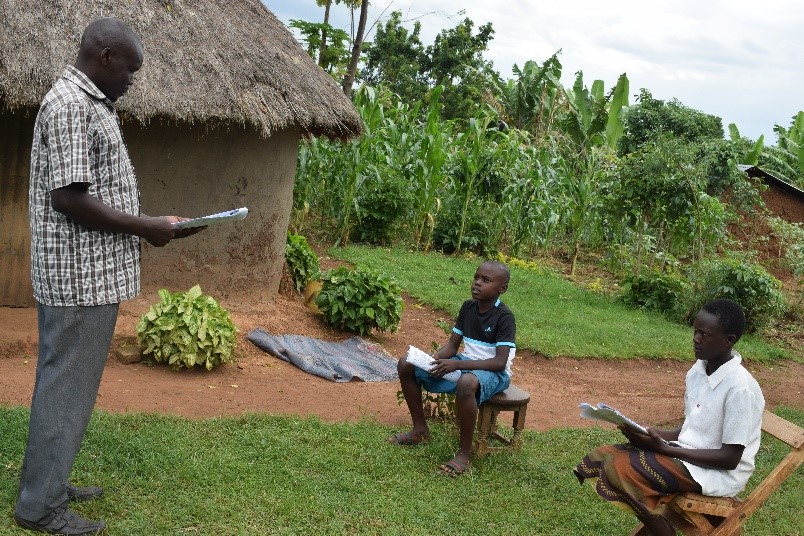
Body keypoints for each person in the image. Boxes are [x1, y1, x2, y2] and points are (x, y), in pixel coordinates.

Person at [15, 17, 204, 535]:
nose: (131, 81)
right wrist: (147, 227)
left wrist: (150, 224)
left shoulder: (82, 102)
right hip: (78, 278)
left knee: (65, 385)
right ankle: (40, 507)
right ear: (104, 58)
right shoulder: (73, 105)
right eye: (130, 70)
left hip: (85, 276)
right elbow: (69, 198)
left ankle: (48, 481)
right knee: (65, 387)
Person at [574, 299, 765, 536]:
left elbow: (730, 458)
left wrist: (666, 450)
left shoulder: (739, 388)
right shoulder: (697, 372)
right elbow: (690, 428)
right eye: (695, 331)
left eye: (704, 334)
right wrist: (645, 433)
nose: (696, 339)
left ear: (729, 340)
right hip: (687, 457)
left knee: (622, 468)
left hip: (718, 473)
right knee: (604, 456)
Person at [387, 260, 516, 476]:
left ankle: (464, 454)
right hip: (465, 363)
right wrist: (435, 359)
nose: (477, 283)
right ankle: (420, 430)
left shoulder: (504, 317)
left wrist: (457, 364)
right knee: (406, 364)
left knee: (467, 382)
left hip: (494, 373)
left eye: (486, 280)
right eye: (476, 277)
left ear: (502, 289)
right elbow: (452, 346)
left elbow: (499, 362)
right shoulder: (468, 307)